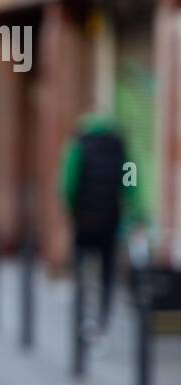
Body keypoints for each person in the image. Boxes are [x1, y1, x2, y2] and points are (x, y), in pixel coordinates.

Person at [59, 111, 145, 341]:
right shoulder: (120, 148)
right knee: (107, 272)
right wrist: (134, 211)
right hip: (110, 220)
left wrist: (72, 210)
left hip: (84, 220)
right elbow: (131, 182)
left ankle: (80, 315)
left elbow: (68, 184)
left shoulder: (79, 146)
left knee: (81, 266)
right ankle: (103, 319)